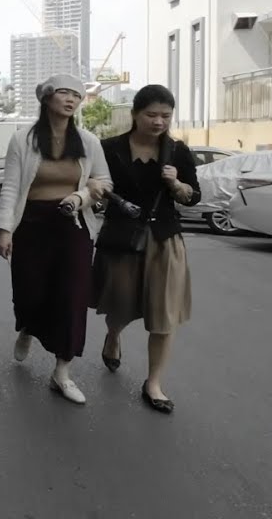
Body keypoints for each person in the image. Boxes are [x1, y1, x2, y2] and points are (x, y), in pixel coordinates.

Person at [0, 74, 111, 405]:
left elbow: (103, 182)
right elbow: (11, 187)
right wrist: (5, 229)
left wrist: (81, 197)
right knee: (30, 292)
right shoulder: (22, 139)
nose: (71, 99)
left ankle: (62, 372)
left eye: (76, 94)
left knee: (72, 296)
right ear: (46, 98)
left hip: (73, 223)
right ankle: (28, 326)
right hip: (31, 223)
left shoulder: (88, 141)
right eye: (64, 92)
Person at [90, 84, 200, 415]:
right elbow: (93, 186)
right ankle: (113, 336)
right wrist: (95, 190)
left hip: (165, 239)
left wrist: (176, 183)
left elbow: (193, 196)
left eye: (165, 116)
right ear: (135, 114)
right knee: (120, 305)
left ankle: (153, 383)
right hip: (122, 238)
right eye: (151, 115)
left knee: (164, 315)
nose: (158, 122)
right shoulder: (109, 148)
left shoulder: (178, 151)